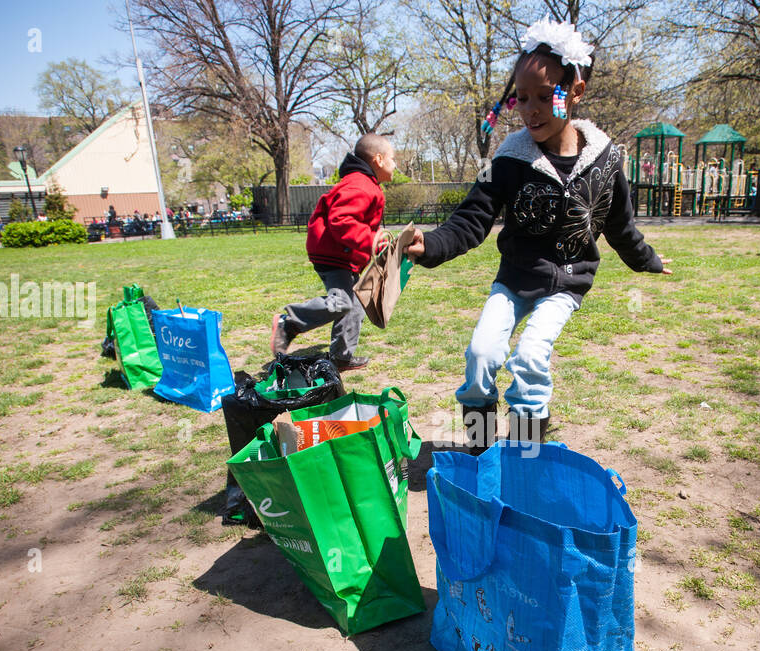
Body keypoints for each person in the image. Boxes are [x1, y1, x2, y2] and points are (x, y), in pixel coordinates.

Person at [405, 17, 669, 450]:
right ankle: (479, 450)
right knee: (481, 353)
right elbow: (472, 219)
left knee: (529, 357)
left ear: (575, 93)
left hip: (566, 282)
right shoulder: (509, 158)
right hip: (515, 278)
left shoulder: (606, 161)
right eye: (522, 98)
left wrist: (648, 261)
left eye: (545, 97)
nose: (531, 109)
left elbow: (620, 226)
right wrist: (429, 244)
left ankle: (526, 455)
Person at [272, 132, 398, 371]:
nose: (395, 165)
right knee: (341, 302)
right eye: (393, 159)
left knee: (355, 304)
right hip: (333, 253)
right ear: (378, 159)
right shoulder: (360, 184)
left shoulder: (365, 184)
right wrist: (370, 239)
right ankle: (288, 324)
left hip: (344, 254)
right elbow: (340, 220)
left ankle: (341, 357)